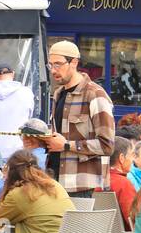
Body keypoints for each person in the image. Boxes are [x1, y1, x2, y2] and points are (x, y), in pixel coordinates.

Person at [45, 39, 115, 197]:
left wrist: (67, 146)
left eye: (58, 64)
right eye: (50, 65)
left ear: (74, 62)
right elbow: (59, 140)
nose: (53, 70)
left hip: (83, 187)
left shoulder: (95, 94)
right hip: (54, 182)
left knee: (75, 223)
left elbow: (107, 145)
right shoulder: (58, 93)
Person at [0, 63, 36, 165]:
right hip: (19, 149)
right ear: (13, 74)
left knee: (1, 175)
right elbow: (30, 119)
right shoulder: (26, 93)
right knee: (18, 177)